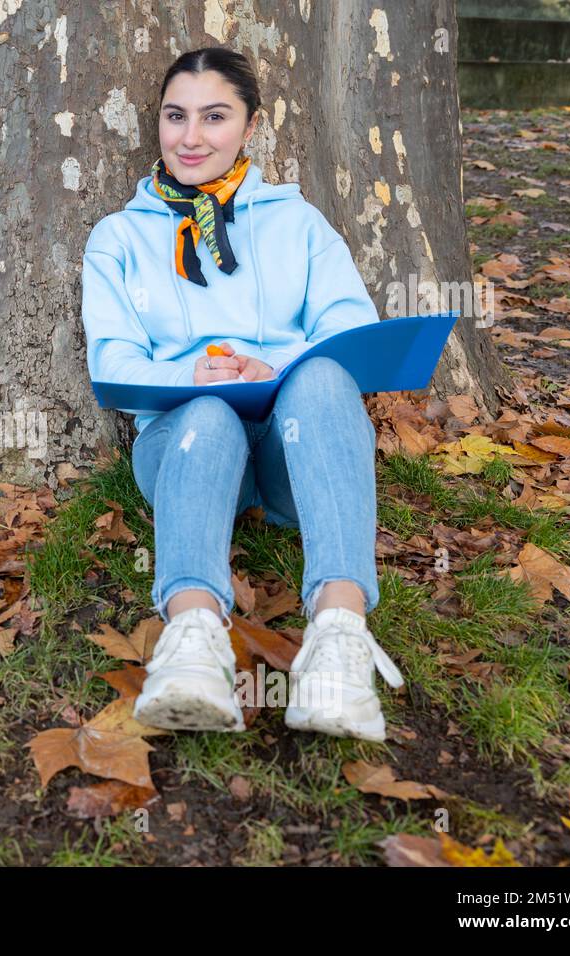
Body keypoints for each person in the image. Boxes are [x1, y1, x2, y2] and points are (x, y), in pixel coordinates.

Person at [80, 46, 404, 742]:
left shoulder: (299, 224)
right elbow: (110, 365)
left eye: (213, 116)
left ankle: (339, 644)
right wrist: (189, 374)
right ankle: (192, 646)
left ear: (250, 126)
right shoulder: (118, 238)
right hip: (185, 446)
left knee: (320, 375)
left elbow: (351, 332)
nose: (190, 137)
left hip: (296, 450)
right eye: (175, 116)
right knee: (206, 411)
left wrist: (276, 366)